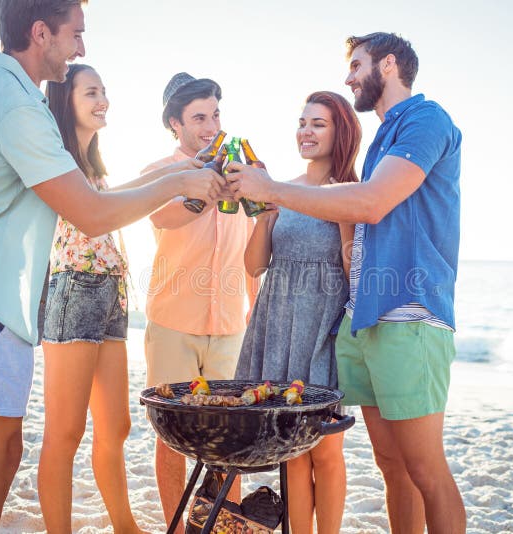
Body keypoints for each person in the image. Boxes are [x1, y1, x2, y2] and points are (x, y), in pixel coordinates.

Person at [0, 2, 224, 532]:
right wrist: (178, 181)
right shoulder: (17, 105)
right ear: (40, 32)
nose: (81, 47)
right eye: (76, 34)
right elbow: (91, 214)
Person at [225, 32, 466, 533]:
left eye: (357, 65)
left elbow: (371, 204)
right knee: (392, 466)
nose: (349, 76)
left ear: (389, 64)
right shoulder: (385, 138)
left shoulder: (426, 120)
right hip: (366, 319)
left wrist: (272, 189)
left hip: (410, 313)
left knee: (425, 469)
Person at [38, 63, 190, 533]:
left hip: (110, 293)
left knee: (116, 426)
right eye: (91, 92)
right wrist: (174, 180)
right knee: (65, 432)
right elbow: (94, 215)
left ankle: (125, 526)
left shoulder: (93, 168)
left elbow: (117, 201)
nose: (102, 99)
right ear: (65, 100)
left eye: (103, 91)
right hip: (74, 289)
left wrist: (182, 172)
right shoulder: (55, 159)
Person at [235, 91, 360, 534]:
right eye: (302, 122)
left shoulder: (350, 191)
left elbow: (352, 268)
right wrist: (265, 217)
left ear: (340, 132)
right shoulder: (282, 190)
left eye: (318, 124)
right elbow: (254, 266)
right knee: (290, 449)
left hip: (322, 330)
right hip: (278, 324)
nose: (305, 131)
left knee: (325, 449)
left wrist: (345, 218)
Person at [141, 73, 258, 533]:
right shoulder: (159, 172)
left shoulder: (239, 174)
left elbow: (252, 255)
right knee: (171, 436)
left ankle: (223, 529)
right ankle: (176, 528)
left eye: (215, 115)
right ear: (175, 123)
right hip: (174, 322)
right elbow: (162, 216)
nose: (211, 126)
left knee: (230, 440)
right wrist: (209, 194)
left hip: (230, 328)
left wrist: (256, 314)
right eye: (199, 118)